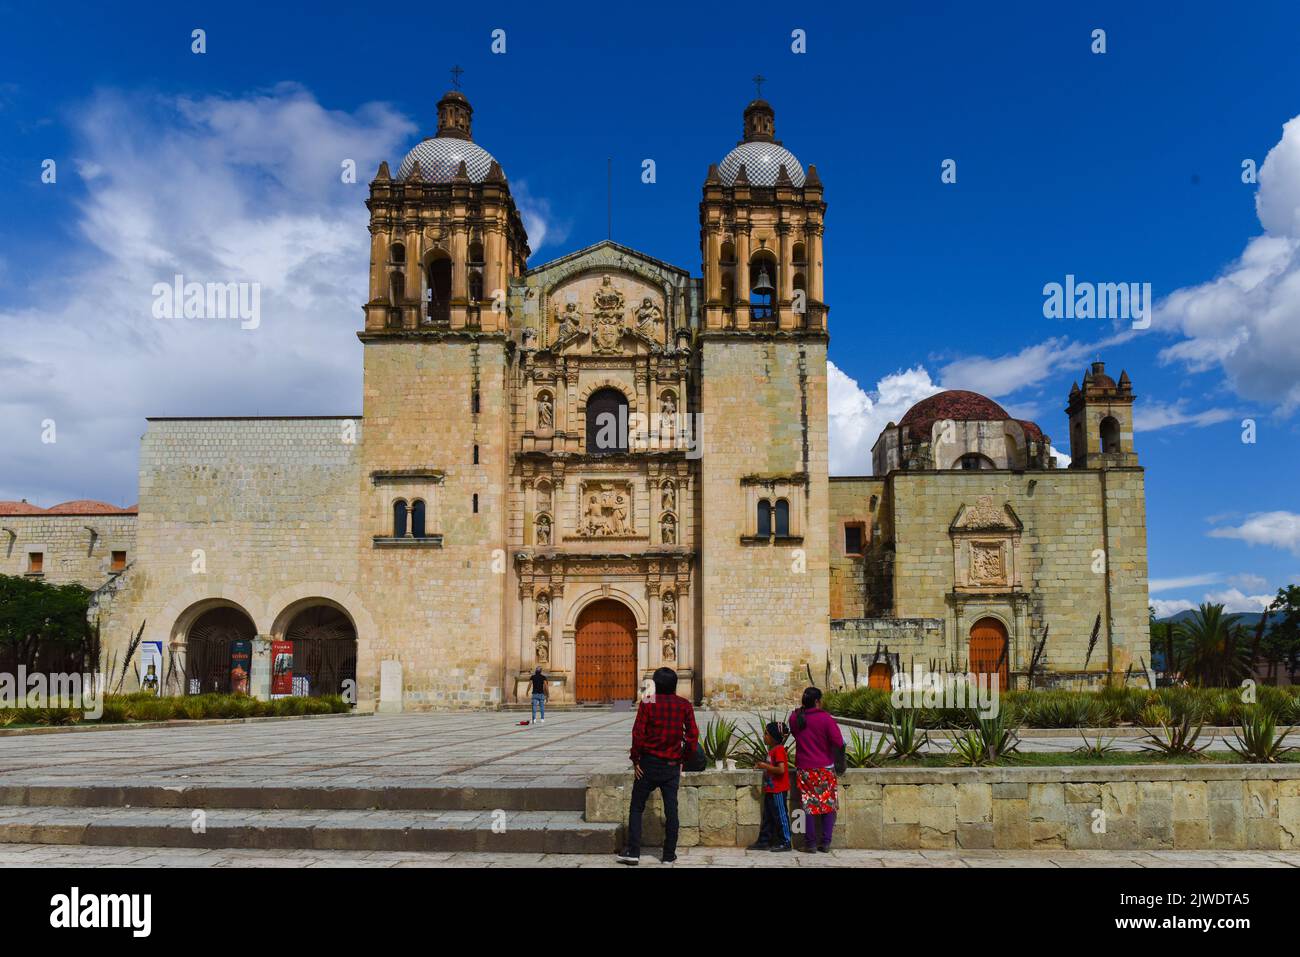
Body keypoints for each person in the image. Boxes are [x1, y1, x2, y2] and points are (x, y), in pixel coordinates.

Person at [617, 667, 699, 866]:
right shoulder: (684, 705)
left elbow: (638, 733)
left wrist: (636, 760)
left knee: (637, 807)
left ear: (655, 684)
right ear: (674, 684)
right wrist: (683, 759)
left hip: (648, 764)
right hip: (671, 765)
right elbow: (692, 735)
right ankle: (669, 855)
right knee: (671, 810)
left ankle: (633, 852)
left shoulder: (648, 702)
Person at [788, 687, 844, 853]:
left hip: (805, 769)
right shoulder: (826, 719)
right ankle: (825, 842)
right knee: (828, 805)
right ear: (817, 701)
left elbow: (795, 732)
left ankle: (810, 843)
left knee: (808, 806)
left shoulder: (795, 718)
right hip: (825, 768)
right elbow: (838, 742)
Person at [748, 720, 792, 852]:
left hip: (778, 790)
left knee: (780, 816)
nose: (764, 736)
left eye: (766, 734)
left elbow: (781, 770)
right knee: (768, 816)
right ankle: (764, 841)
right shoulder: (773, 751)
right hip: (771, 789)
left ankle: (786, 841)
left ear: (773, 737)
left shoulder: (778, 750)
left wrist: (764, 766)